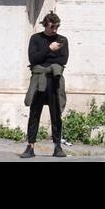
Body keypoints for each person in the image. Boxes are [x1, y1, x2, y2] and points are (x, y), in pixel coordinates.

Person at [21, 12, 68, 158]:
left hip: (54, 79)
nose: (55, 29)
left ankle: (58, 147)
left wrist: (47, 58)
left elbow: (63, 60)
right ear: (45, 25)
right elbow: (33, 59)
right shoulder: (36, 38)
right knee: (35, 113)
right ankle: (30, 147)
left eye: (57, 26)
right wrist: (49, 49)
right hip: (39, 79)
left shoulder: (62, 39)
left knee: (56, 114)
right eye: (52, 26)